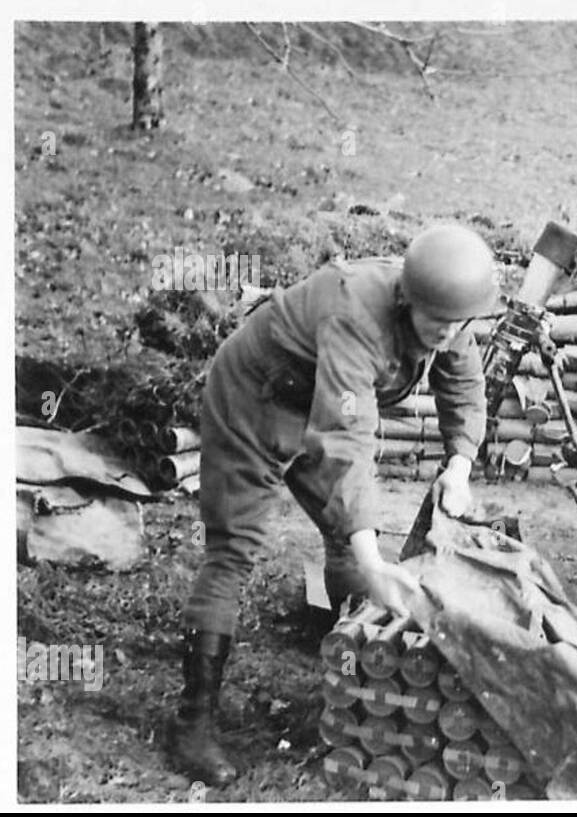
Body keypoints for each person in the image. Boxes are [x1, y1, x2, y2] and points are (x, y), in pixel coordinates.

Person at [171, 223, 495, 786]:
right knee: (234, 550)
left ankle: (354, 667)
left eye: (457, 324)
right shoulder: (358, 315)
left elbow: (464, 388)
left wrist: (459, 467)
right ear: (407, 300)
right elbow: (345, 442)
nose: (446, 335)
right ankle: (192, 723)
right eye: (436, 323)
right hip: (256, 396)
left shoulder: (453, 308)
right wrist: (373, 563)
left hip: (315, 401)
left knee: (346, 533)